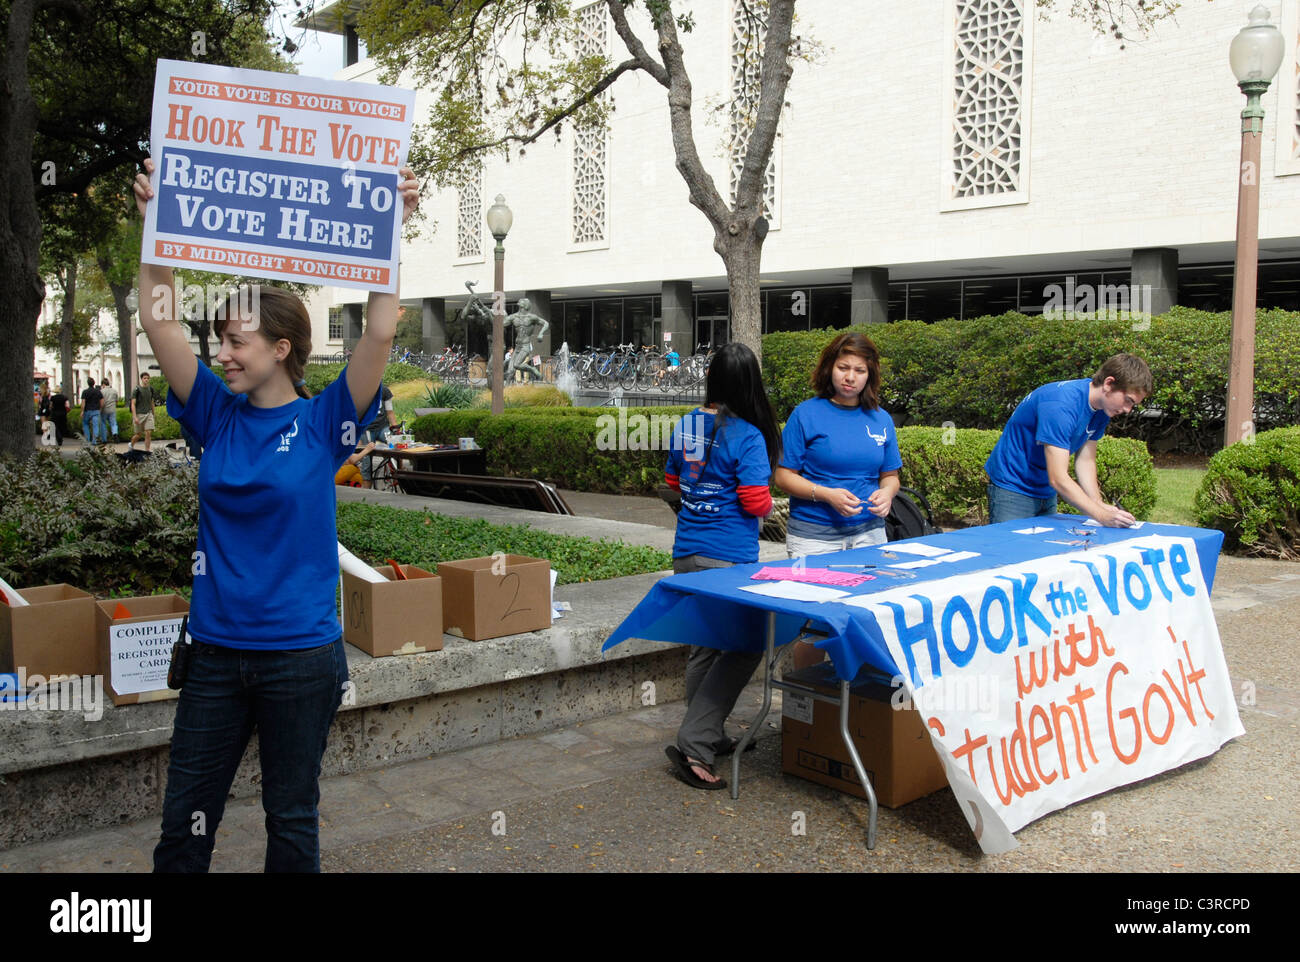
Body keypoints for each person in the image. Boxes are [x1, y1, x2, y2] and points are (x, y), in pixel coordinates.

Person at [134, 157, 420, 873]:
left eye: (237, 341)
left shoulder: (327, 421)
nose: (221, 353)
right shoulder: (211, 412)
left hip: (301, 658)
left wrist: (390, 230)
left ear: (282, 348)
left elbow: (380, 332)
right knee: (183, 828)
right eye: (220, 342)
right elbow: (158, 316)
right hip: (215, 660)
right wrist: (156, 229)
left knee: (291, 824)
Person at [662, 342, 782, 790]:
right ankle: (695, 744)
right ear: (751, 384)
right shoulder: (748, 436)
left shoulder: (688, 423)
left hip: (687, 553)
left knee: (704, 646)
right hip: (728, 557)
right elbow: (754, 501)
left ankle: (708, 735)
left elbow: (673, 482)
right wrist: (770, 505)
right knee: (748, 644)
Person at [773, 332, 901, 669]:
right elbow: (783, 476)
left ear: (870, 374)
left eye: (859, 370)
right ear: (829, 368)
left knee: (867, 618)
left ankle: (853, 701)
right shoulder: (806, 415)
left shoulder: (881, 419)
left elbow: (891, 475)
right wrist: (825, 494)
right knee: (815, 626)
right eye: (843, 367)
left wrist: (887, 493)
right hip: (814, 537)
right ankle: (808, 708)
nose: (850, 377)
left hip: (868, 535)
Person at [985, 353, 1152, 527]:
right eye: (1128, 400)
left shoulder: (1103, 409)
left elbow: (1086, 460)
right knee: (1014, 550)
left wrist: (1098, 503)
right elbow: (1058, 478)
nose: (1127, 409)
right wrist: (1101, 516)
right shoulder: (1061, 405)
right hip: (1013, 485)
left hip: (1045, 489)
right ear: (1108, 384)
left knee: (1043, 551)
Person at [358, 383, 398, 485]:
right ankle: (366, 485)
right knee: (366, 458)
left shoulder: (384, 391)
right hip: (367, 428)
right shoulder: (360, 390)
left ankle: (398, 472)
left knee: (397, 444)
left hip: (382, 426)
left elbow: (390, 412)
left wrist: (396, 429)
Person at [130, 373, 157, 452]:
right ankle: (131, 445)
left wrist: (153, 413)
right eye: (145, 378)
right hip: (139, 414)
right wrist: (135, 417)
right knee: (138, 435)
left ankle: (147, 450)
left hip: (148, 414)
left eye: (148, 378)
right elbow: (133, 404)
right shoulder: (137, 390)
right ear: (141, 379)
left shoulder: (150, 389)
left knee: (148, 432)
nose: (146, 380)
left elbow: (152, 402)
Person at [80, 378, 102, 447]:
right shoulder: (98, 391)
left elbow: (83, 402)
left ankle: (87, 439)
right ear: (94, 383)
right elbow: (102, 401)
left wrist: (82, 411)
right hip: (96, 410)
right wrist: (100, 408)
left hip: (87, 411)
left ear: (88, 383)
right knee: (95, 426)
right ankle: (95, 440)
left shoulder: (85, 392)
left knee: (85, 424)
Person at [99, 380, 119, 444]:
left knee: (103, 423)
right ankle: (115, 434)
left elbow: (100, 402)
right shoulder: (114, 391)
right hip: (112, 409)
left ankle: (104, 439)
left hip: (104, 410)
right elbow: (116, 401)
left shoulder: (101, 391)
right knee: (113, 423)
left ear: (103, 384)